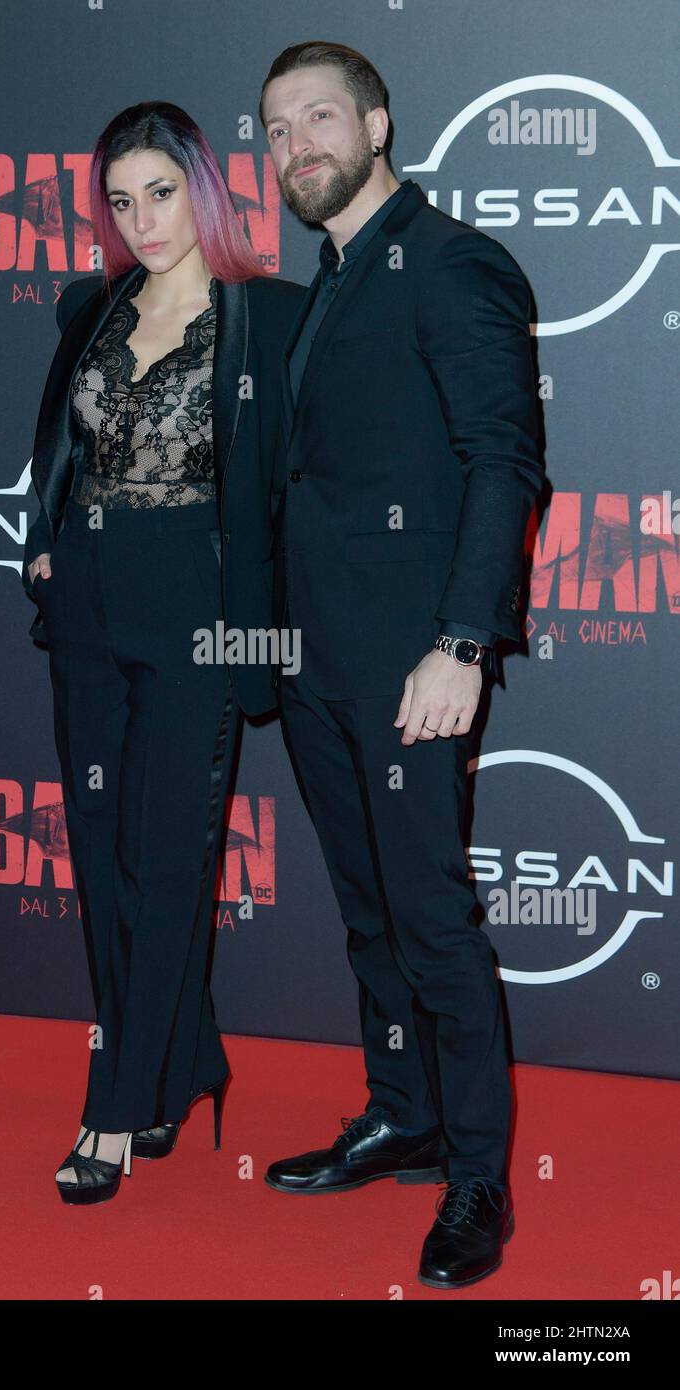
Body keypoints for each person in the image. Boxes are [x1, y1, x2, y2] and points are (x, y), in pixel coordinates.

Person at [258, 42, 544, 1287]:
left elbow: (503, 463)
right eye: (273, 130)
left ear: (378, 123)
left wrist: (461, 643)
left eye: (318, 116)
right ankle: (404, 1114)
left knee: (429, 917)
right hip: (318, 663)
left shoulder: (452, 262)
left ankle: (477, 1177)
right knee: (368, 915)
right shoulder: (318, 278)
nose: (294, 144)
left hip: (414, 663)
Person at [21, 101, 305, 1204]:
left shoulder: (269, 317)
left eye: (161, 191)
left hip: (202, 613)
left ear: (205, 188)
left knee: (170, 854)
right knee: (100, 854)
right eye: (121, 200)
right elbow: (55, 448)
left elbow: (300, 481)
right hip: (88, 609)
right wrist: (45, 547)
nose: (141, 219)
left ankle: (115, 1104)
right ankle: (183, 1061)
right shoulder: (85, 309)